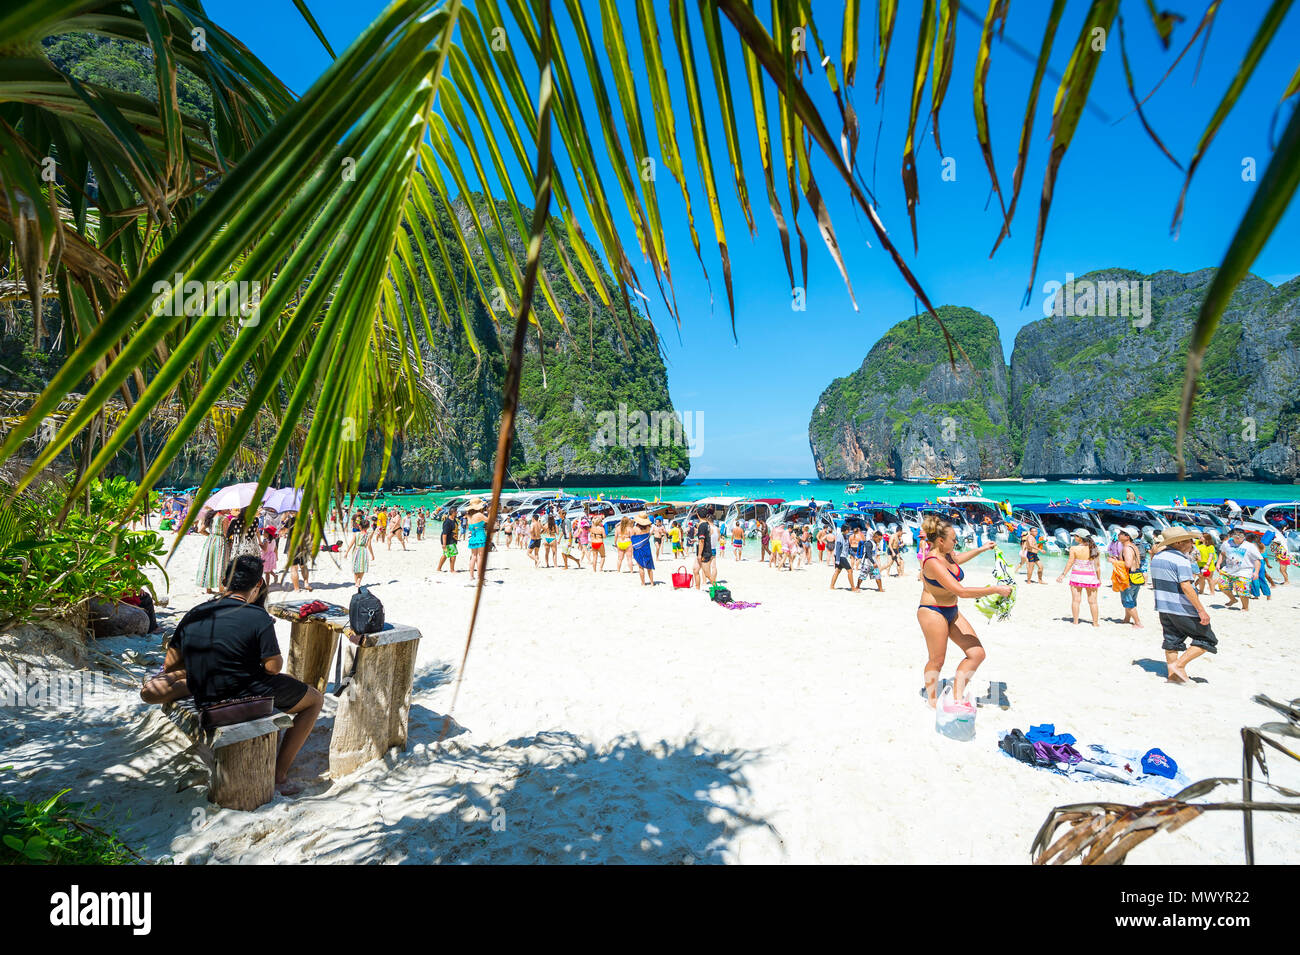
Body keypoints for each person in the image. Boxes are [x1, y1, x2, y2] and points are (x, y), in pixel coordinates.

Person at [140, 556, 323, 795]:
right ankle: (279, 773)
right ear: (258, 585)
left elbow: (171, 665)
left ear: (224, 581)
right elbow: (273, 667)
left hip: (206, 693)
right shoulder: (257, 616)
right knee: (315, 700)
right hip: (247, 693)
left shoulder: (194, 613)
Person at [916, 517, 1009, 708]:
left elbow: (958, 559)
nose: (956, 542)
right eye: (953, 539)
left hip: (952, 610)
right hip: (932, 612)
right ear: (941, 541)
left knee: (977, 653)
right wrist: (995, 589)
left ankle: (957, 696)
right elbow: (961, 591)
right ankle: (932, 700)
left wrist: (983, 549)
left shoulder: (947, 555)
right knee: (937, 659)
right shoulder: (933, 562)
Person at [1149, 528, 1217, 684]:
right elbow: (1186, 586)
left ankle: (1175, 678)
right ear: (1179, 542)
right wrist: (1201, 610)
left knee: (1172, 641)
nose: (1192, 544)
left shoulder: (1158, 557)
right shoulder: (1181, 560)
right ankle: (1177, 666)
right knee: (1206, 639)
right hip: (1181, 607)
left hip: (1163, 605)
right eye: (1189, 541)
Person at [1057, 530, 1101, 627]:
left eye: (1075, 536)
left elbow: (1070, 562)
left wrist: (1063, 574)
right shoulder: (1094, 548)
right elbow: (1097, 566)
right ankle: (1095, 623)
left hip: (1076, 577)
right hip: (1090, 577)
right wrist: (1099, 578)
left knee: (1076, 600)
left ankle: (1075, 621)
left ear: (1080, 538)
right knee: (1093, 602)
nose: (1074, 538)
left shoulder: (1074, 548)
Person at [1217, 528, 1260, 611]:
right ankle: (1233, 599)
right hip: (1228, 570)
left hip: (1244, 571)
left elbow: (1257, 560)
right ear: (1232, 535)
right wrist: (1218, 564)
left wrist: (1256, 572)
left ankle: (1245, 607)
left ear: (1244, 537)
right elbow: (1222, 554)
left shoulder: (1250, 546)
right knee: (1222, 586)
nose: (1238, 537)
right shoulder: (1226, 543)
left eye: (1241, 535)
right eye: (1236, 535)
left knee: (1242, 590)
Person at [1108, 529, 1143, 628]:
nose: (1118, 535)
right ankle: (1127, 619)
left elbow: (1127, 564)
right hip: (1137, 575)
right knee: (1132, 599)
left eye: (1121, 534)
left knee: (1127, 600)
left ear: (1127, 537)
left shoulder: (1126, 548)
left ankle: (1137, 622)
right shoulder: (1134, 547)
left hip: (1128, 577)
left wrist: (1113, 562)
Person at [195, 509, 227, 594]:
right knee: (220, 563)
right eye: (228, 508)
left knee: (209, 562)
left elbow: (200, 530)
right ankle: (221, 588)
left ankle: (208, 589)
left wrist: (210, 535)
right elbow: (225, 534)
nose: (229, 509)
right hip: (220, 541)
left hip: (210, 541)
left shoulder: (211, 516)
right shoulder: (224, 518)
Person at [344, 518, 375, 586]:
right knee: (362, 567)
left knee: (356, 567)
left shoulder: (356, 534)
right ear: (368, 527)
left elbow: (351, 543)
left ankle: (356, 582)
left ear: (359, 526)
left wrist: (347, 552)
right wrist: (372, 555)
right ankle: (358, 581)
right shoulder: (368, 535)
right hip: (363, 550)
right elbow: (369, 546)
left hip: (356, 550)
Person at [630, 514, 656, 585]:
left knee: (640, 567)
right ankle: (651, 583)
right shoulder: (648, 528)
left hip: (638, 549)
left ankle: (643, 583)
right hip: (646, 548)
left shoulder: (634, 529)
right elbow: (648, 536)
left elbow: (632, 540)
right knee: (649, 566)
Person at [465, 499, 488, 575]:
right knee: (480, 556)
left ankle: (471, 576)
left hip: (473, 537)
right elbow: (489, 520)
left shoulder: (468, 516)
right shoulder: (479, 515)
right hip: (480, 536)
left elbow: (469, 528)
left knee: (473, 556)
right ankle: (479, 575)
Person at [694, 517, 717, 590]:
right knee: (695, 569)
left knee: (707, 574)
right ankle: (697, 589)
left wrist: (699, 554)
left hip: (704, 552)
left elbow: (702, 541)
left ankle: (717, 589)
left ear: (698, 515)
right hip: (708, 550)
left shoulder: (702, 525)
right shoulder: (707, 525)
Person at [438, 507, 459, 573]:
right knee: (453, 554)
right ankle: (452, 570)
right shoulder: (447, 522)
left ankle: (439, 568)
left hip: (452, 539)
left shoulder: (454, 519)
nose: (457, 513)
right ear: (453, 513)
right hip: (448, 540)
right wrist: (444, 544)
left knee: (445, 555)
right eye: (456, 512)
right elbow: (444, 533)